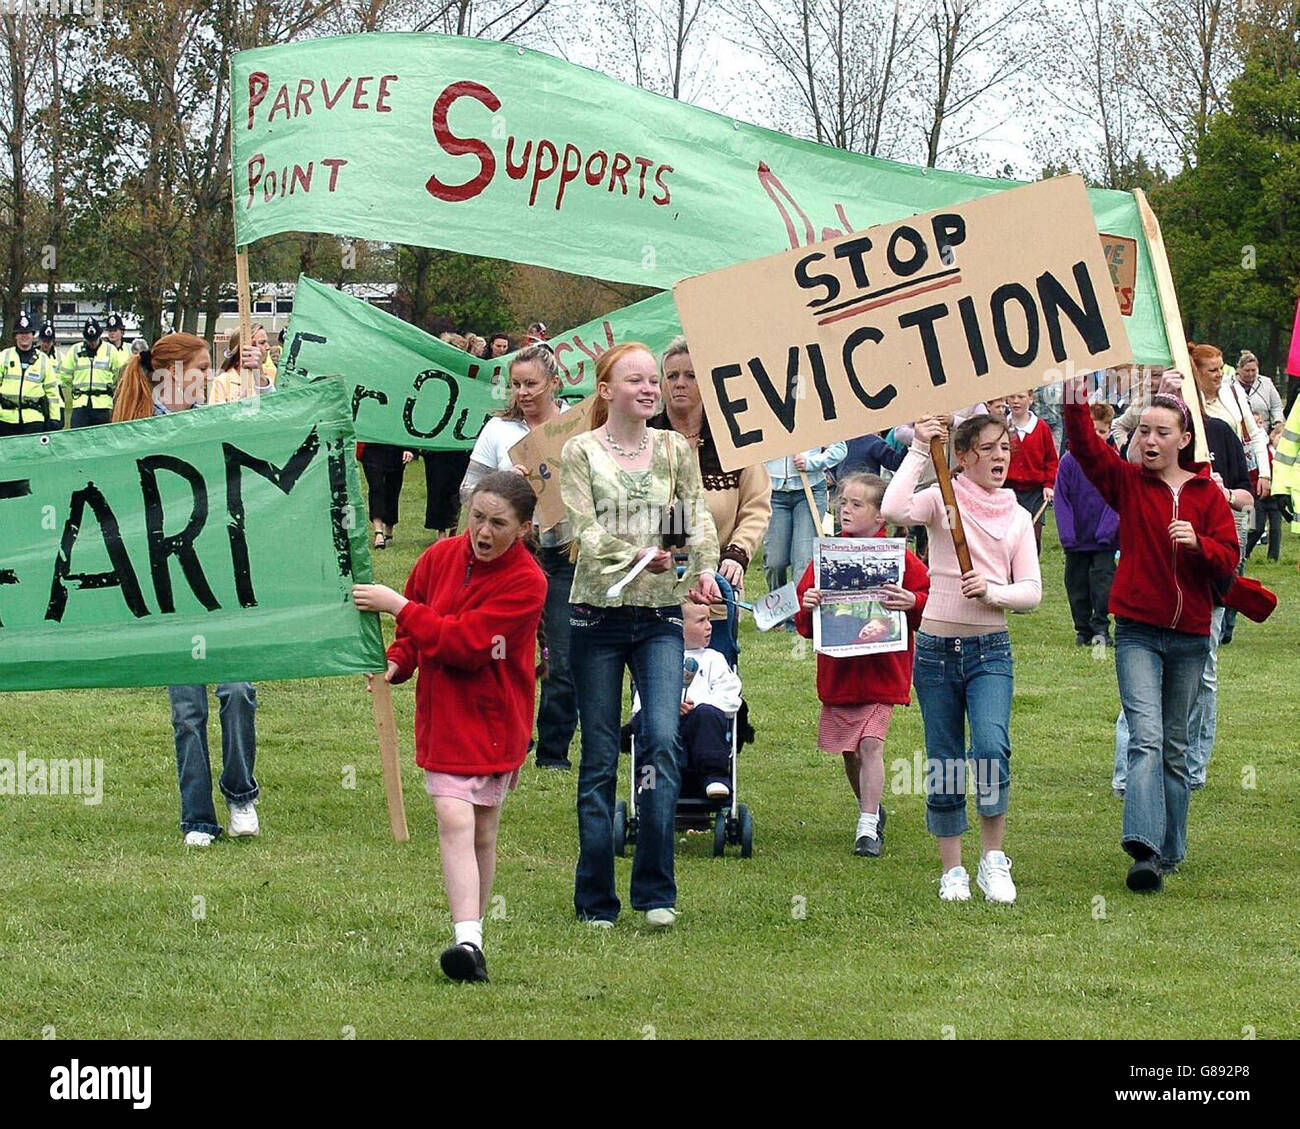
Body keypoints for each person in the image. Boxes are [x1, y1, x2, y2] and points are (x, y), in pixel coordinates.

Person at [354, 472, 548, 983]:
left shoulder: (528, 582)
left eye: (499, 523)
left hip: (496, 718)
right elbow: (415, 632)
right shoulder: (438, 559)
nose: (483, 532)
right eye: (477, 517)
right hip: (445, 718)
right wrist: (398, 661)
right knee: (453, 819)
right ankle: (467, 939)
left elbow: (465, 645)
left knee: (483, 830)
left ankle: (472, 937)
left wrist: (398, 604)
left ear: (524, 528)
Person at [561, 341, 720, 929]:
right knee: (601, 753)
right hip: (596, 616)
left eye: (654, 380)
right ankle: (595, 898)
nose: (651, 389)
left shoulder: (675, 448)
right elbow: (584, 532)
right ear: (606, 391)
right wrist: (638, 554)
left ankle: (655, 891)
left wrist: (703, 569)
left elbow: (693, 515)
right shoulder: (580, 451)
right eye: (637, 381)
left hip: (658, 616)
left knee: (660, 738)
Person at [1064, 378, 1238, 893]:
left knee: (1177, 747)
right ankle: (1143, 847)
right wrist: (1074, 396)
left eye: (1161, 432)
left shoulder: (1208, 495)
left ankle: (1171, 848)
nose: (1149, 441)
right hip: (1137, 631)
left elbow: (1229, 559)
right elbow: (1084, 447)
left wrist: (1200, 544)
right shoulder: (1126, 483)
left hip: (1189, 636)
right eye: (1143, 431)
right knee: (1147, 737)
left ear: (1184, 438)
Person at [112, 332, 267, 845]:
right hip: (168, 583)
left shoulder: (220, 413)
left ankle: (241, 792)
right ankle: (197, 815)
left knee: (239, 689)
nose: (210, 376)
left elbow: (266, 439)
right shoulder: (130, 430)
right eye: (202, 368)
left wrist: (254, 386)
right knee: (187, 709)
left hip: (223, 570)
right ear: (172, 372)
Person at [881, 413, 1041, 904]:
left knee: (992, 746)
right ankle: (952, 869)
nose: (999, 458)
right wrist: (918, 448)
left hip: (990, 650)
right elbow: (893, 507)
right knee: (945, 756)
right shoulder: (941, 500)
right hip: (935, 651)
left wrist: (995, 593)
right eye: (988, 449)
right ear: (965, 455)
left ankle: (994, 859)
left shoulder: (1016, 516)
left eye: (1005, 449)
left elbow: (1032, 591)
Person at [1109, 370, 1253, 797]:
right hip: (1145, 608)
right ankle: (1128, 777)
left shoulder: (1221, 434)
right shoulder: (1142, 461)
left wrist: (1216, 509)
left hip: (1199, 602)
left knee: (1201, 683)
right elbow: (1121, 457)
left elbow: (1243, 496)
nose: (1154, 437)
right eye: (1166, 390)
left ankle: (1192, 772)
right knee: (1140, 704)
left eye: (1179, 389)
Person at [795, 473, 929, 857]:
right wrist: (810, 605)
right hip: (840, 671)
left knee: (871, 744)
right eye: (843, 502)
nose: (845, 509)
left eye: (857, 504)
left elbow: (927, 597)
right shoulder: (828, 554)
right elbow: (805, 614)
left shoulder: (899, 556)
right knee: (850, 751)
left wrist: (911, 601)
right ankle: (870, 807)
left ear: (880, 515)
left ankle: (867, 827)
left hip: (882, 669)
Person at [461, 344, 579, 769]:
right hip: (511, 559)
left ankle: (553, 751)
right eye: (516, 384)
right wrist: (502, 485)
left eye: (532, 384)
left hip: (565, 555)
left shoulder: (577, 428)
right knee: (501, 653)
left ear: (554, 383)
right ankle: (507, 739)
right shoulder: (498, 431)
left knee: (561, 657)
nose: (523, 393)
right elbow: (466, 491)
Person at [649, 337, 771, 660]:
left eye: (690, 375)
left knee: (716, 682)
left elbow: (756, 505)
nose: (680, 384)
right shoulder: (643, 437)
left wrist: (737, 554)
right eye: (672, 376)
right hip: (657, 588)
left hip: (714, 589)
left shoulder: (734, 439)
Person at [1191, 342, 1267, 645]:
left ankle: (1225, 626)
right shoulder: (1185, 405)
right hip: (1202, 493)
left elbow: (1253, 432)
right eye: (1212, 371)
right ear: (1195, 371)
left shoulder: (1232, 395)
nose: (1219, 376)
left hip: (1233, 485)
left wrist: (1265, 471)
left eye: (1222, 370)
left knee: (1236, 555)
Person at [631, 602, 742, 801]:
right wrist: (667, 706)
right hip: (663, 721)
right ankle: (647, 780)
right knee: (644, 720)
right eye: (701, 621)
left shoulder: (713, 659)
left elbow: (731, 696)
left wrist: (698, 704)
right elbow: (640, 701)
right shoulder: (657, 659)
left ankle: (715, 777)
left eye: (709, 619)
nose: (709, 626)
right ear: (678, 626)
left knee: (707, 714)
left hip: (702, 724)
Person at [1055, 402, 1119, 646]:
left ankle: (1101, 627)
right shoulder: (1069, 462)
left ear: (1109, 431)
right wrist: (1068, 535)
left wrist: (1106, 532)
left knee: (1102, 585)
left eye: (1101, 432)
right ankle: (1082, 629)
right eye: (1092, 431)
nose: (1096, 437)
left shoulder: (1112, 461)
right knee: (1077, 585)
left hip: (1104, 541)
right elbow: (1062, 498)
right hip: (1077, 541)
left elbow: (1117, 499)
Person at [763, 441, 846, 598]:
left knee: (803, 559)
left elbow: (840, 448)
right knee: (775, 562)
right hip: (773, 492)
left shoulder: (814, 416)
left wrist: (812, 463)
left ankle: (800, 616)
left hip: (810, 490)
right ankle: (778, 610)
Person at [1005, 389, 1058, 552]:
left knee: (1032, 537)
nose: (1016, 401)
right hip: (1008, 489)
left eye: (1020, 397)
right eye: (1012, 396)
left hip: (1034, 492)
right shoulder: (1002, 426)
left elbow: (1051, 459)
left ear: (1031, 399)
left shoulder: (1041, 428)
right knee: (1008, 536)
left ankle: (1030, 573)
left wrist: (1049, 484)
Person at [0, 313, 63, 436]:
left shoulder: (43, 360)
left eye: (28, 333)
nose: (25, 336)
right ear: (15, 336)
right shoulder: (4, 356)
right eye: (21, 333)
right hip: (5, 418)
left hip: (33, 418)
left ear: (33, 335)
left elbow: (52, 392)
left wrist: (55, 418)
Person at [58, 317, 121, 428]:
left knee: (102, 440)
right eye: (89, 340)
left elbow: (118, 375)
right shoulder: (75, 350)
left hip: (103, 405)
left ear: (99, 336)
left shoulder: (111, 351)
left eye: (94, 339)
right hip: (80, 403)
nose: (92, 342)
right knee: (78, 439)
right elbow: (65, 376)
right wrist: (73, 390)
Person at [359, 442, 414, 549]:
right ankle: (378, 532)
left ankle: (389, 533)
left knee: (393, 490)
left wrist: (410, 449)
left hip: (396, 450)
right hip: (372, 449)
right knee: (376, 488)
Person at [1245, 411, 1283, 561]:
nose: (1259, 426)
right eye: (1255, 423)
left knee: (1276, 527)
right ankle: (1245, 552)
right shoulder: (1249, 448)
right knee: (1256, 527)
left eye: (1261, 423)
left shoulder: (1270, 446)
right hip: (1256, 493)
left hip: (1274, 492)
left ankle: (1273, 558)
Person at [1234, 351, 1284, 445]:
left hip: (1264, 435)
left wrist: (1277, 423)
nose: (1250, 374)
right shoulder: (1227, 384)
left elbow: (1276, 406)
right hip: (1238, 435)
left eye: (1253, 370)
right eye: (1247, 370)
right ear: (1238, 369)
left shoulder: (1266, 383)